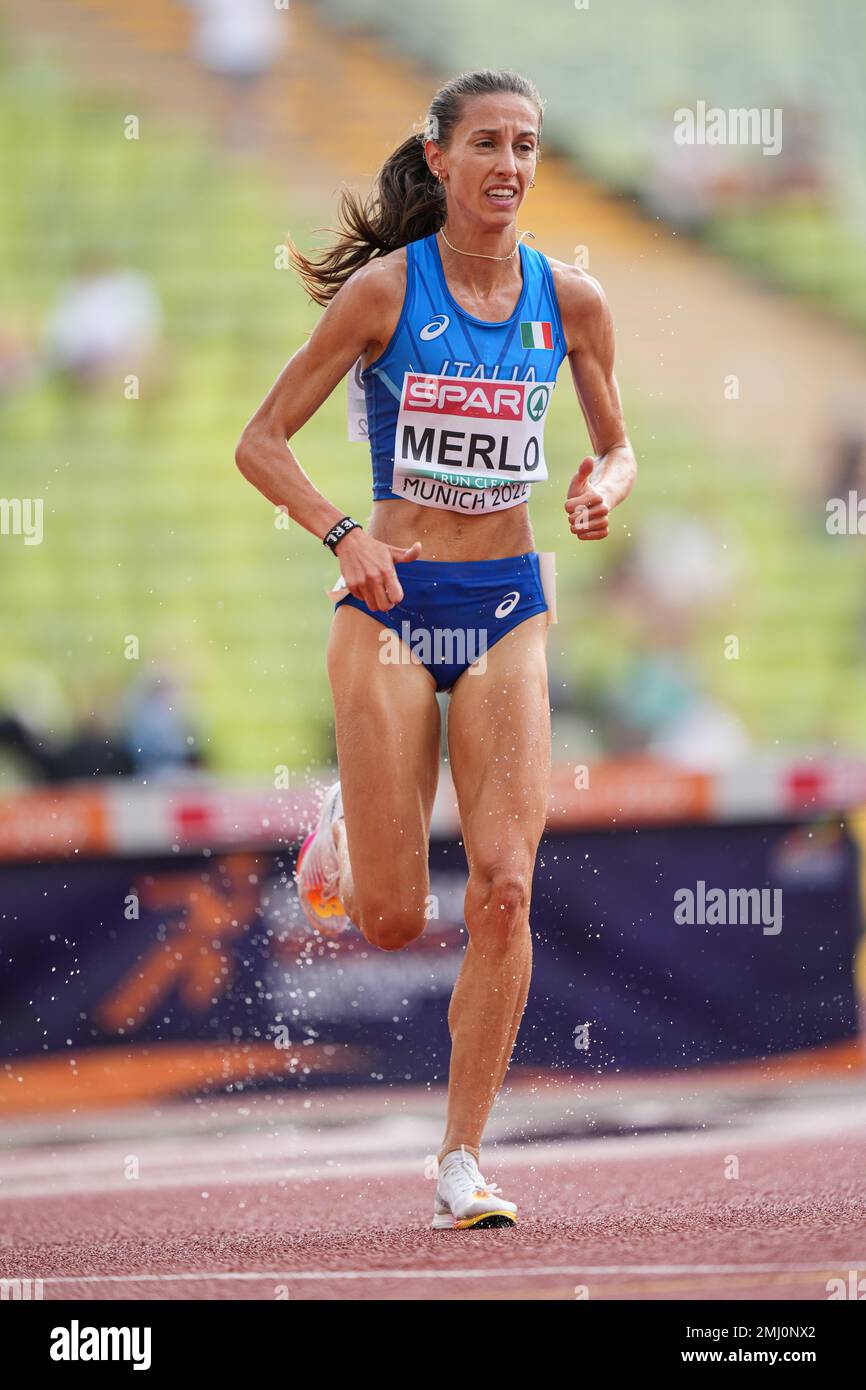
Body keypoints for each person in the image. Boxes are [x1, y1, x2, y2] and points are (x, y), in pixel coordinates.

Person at [235, 69, 636, 1230]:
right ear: (440, 157)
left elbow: (617, 446)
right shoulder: (379, 294)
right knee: (396, 920)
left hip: (507, 600)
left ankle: (461, 1158)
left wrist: (599, 482)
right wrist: (341, 532)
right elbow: (261, 442)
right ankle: (351, 835)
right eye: (488, 146)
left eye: (527, 147)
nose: (509, 166)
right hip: (390, 610)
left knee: (506, 890)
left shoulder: (572, 299)